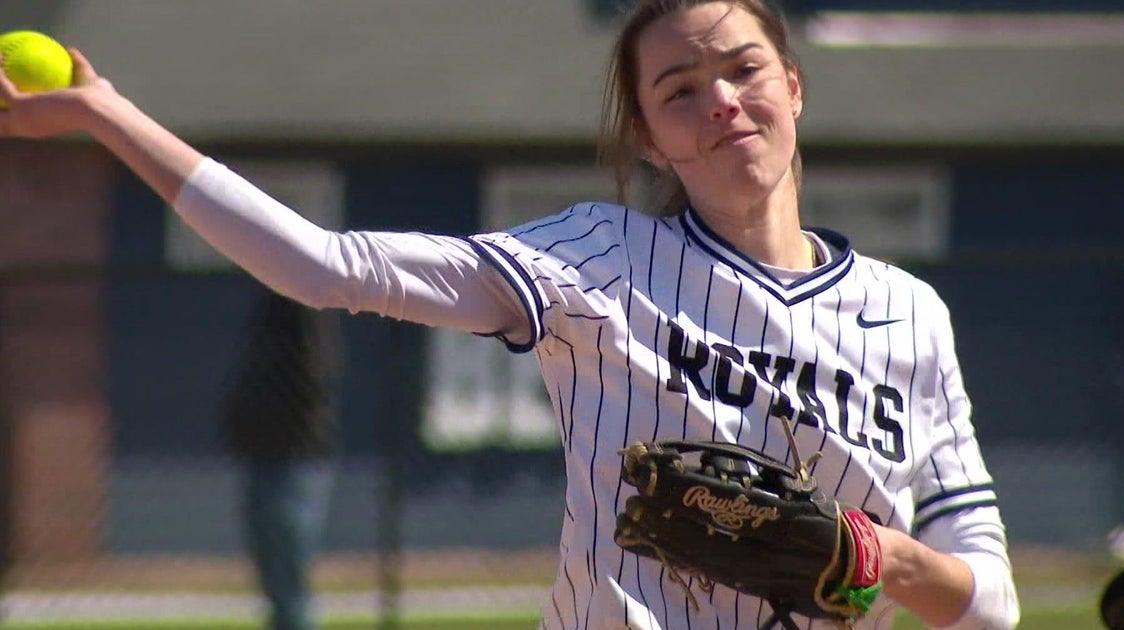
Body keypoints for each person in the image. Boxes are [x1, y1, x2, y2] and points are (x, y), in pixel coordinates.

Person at [0, 1, 1020, 627]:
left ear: (793, 88)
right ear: (654, 143)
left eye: (743, 69)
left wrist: (880, 559)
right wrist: (103, 115)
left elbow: (991, 604)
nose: (720, 100)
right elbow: (320, 265)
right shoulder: (599, 259)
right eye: (678, 90)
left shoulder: (909, 314)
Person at [219, 288, 342, 630]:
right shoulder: (267, 307)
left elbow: (316, 374)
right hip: (262, 455)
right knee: (273, 580)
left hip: (295, 460)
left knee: (290, 583)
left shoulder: (305, 303)